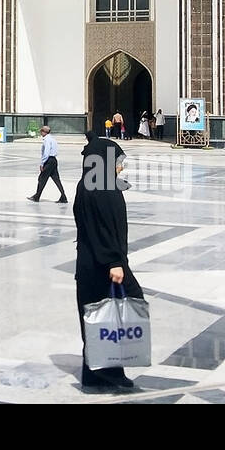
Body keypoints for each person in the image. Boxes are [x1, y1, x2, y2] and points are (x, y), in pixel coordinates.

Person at [73, 128, 143, 391]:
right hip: (103, 264)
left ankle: (95, 373)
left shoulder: (92, 183)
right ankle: (109, 372)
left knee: (97, 316)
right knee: (107, 315)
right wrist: (114, 262)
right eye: (118, 162)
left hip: (92, 263)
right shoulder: (100, 188)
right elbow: (100, 228)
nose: (121, 168)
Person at [27, 125, 68, 204]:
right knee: (56, 180)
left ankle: (37, 197)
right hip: (54, 160)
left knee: (42, 179)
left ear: (44, 132)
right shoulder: (53, 139)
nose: (40, 133)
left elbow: (46, 152)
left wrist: (42, 163)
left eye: (41, 131)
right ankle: (63, 196)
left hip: (49, 161)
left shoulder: (47, 140)